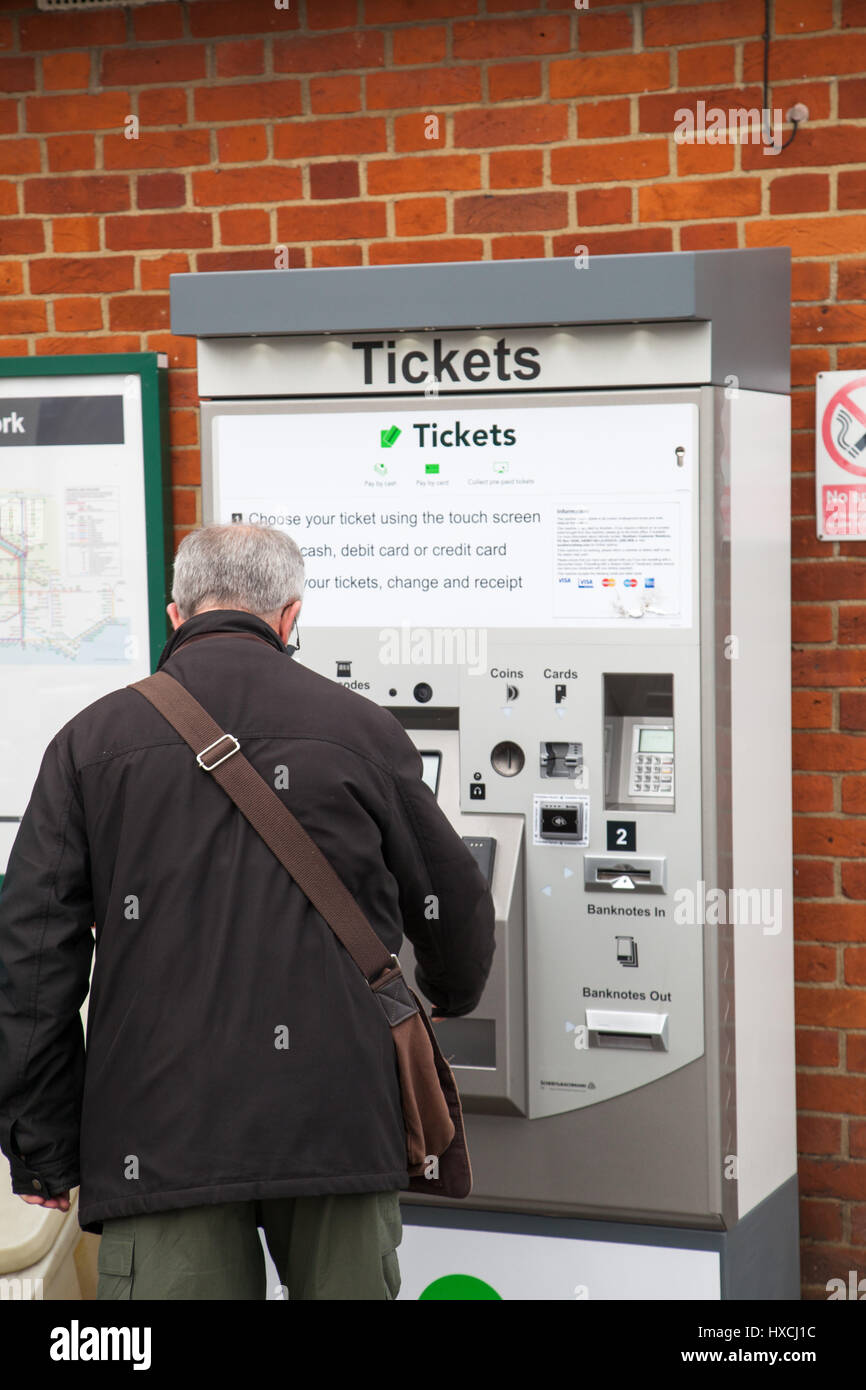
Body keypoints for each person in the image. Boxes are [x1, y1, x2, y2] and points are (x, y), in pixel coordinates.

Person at [0, 522, 495, 1300]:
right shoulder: (363, 729)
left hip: (161, 1131)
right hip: (335, 1113)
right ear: (292, 618)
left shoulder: (89, 744)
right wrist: (452, 992)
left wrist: (43, 1148)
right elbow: (455, 901)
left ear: (175, 615)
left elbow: (32, 964)